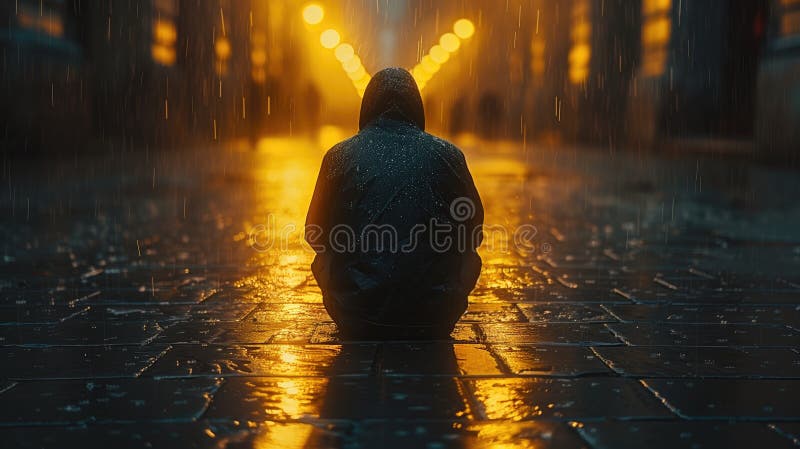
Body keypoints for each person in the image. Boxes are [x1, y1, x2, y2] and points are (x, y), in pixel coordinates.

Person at [305, 67, 483, 339]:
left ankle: (356, 305)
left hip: (358, 316)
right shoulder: (448, 154)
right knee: (471, 255)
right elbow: (474, 228)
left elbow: (314, 232)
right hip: (432, 316)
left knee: (324, 258)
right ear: (416, 107)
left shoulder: (339, 155)